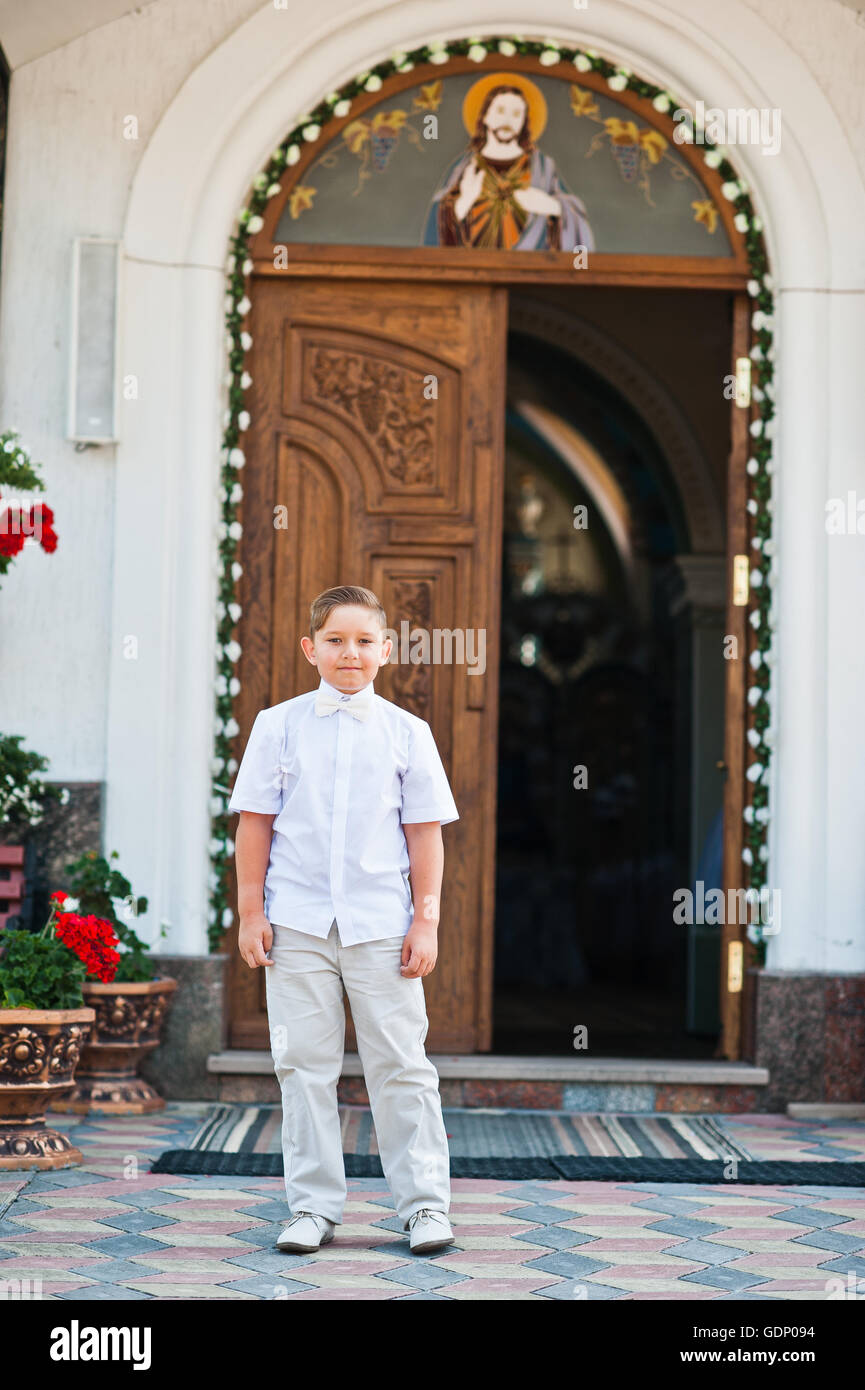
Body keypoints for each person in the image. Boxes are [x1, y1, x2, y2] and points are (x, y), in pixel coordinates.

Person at [229, 584, 459, 1256]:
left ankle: (423, 1207)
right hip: (296, 922)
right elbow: (254, 826)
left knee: (400, 1065)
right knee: (303, 1065)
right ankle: (312, 1206)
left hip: (380, 926)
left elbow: (424, 836)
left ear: (384, 650)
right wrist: (250, 913)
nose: (349, 653)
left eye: (363, 641)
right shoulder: (278, 725)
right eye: (335, 640)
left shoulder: (406, 734)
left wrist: (426, 922)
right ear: (310, 648)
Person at [423, 78, 594, 251]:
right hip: (472, 270)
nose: (508, 120)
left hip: (531, 270)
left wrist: (552, 206)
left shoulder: (543, 167)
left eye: (516, 114)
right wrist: (464, 202)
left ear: (523, 122)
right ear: (485, 117)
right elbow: (435, 226)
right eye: (500, 111)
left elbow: (574, 216)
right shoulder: (466, 166)